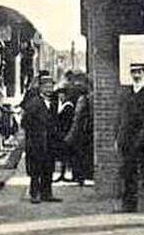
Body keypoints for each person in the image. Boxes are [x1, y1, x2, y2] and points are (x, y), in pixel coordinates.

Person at [115, 62, 144, 214]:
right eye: (133, 72)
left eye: (139, 72)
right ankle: (129, 205)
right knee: (128, 173)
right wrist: (118, 139)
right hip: (127, 140)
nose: (136, 75)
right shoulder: (126, 94)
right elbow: (120, 119)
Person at [19, 75, 60, 203]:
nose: (49, 89)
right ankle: (34, 194)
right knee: (36, 170)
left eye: (51, 86)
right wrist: (35, 132)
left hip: (49, 141)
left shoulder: (53, 102)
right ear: (41, 88)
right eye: (46, 87)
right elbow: (24, 123)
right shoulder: (33, 103)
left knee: (48, 168)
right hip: (36, 142)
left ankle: (47, 193)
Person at [64, 89, 93, 187]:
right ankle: (80, 176)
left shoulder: (81, 102)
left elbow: (77, 120)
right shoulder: (87, 100)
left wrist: (69, 136)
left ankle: (79, 176)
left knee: (78, 156)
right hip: (85, 134)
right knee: (81, 156)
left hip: (80, 135)